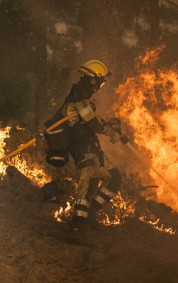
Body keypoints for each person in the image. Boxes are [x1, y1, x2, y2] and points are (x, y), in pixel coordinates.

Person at [42, 59, 123, 236]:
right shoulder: (79, 94)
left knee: (114, 177)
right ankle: (77, 226)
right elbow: (92, 122)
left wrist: (109, 124)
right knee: (86, 184)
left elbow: (90, 119)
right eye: (100, 82)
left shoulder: (81, 95)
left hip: (90, 146)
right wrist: (109, 131)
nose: (99, 86)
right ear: (92, 79)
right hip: (81, 147)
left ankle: (90, 214)